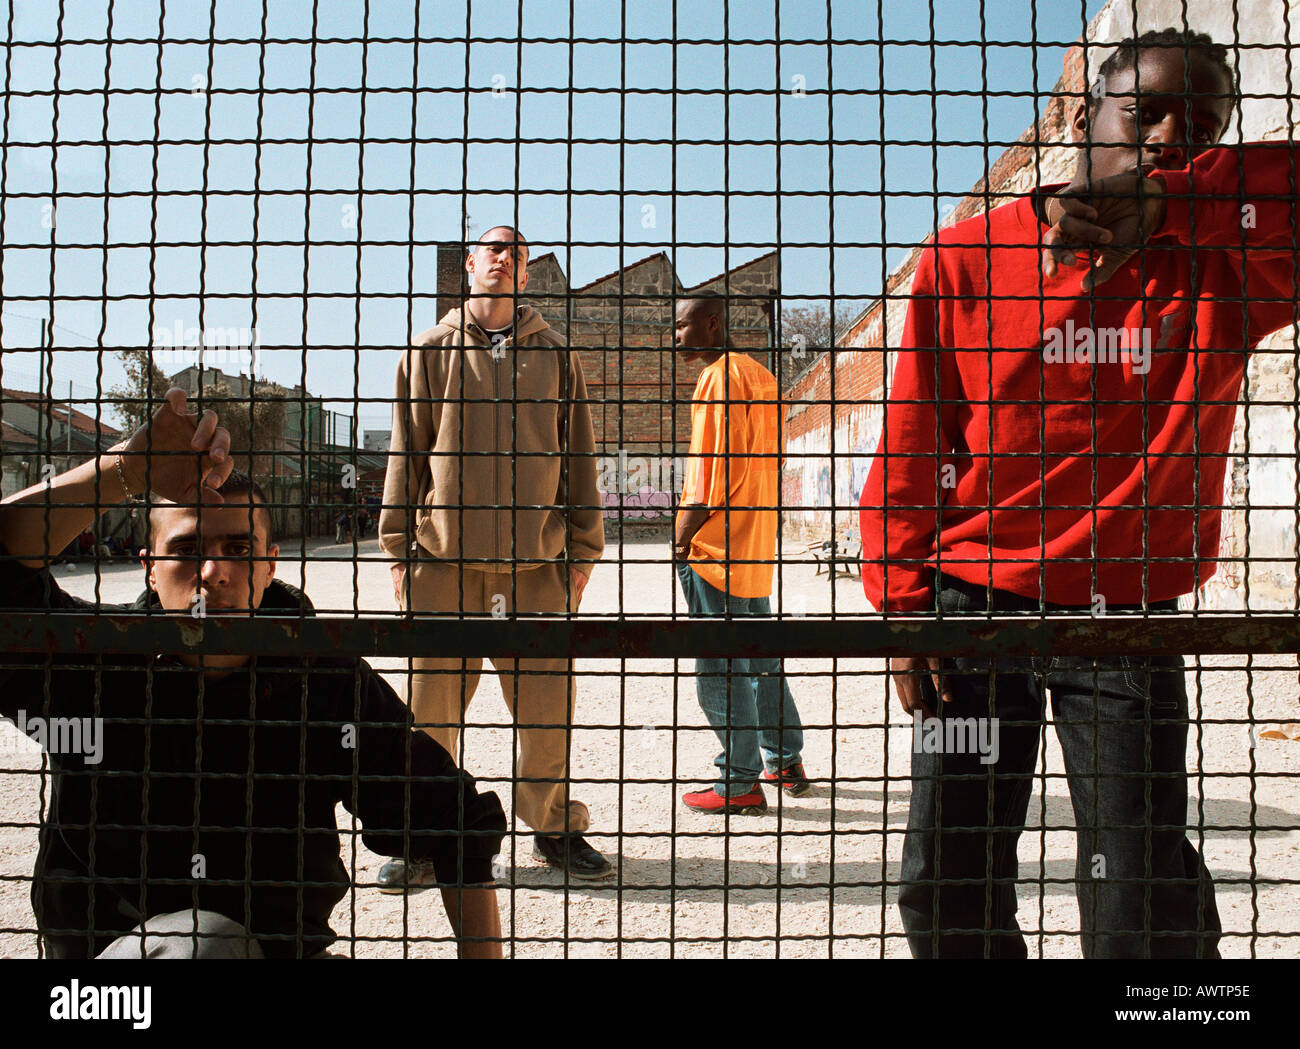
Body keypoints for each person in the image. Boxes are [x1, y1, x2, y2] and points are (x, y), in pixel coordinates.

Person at [859, 28, 1297, 958]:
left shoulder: (1224, 263)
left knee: (1138, 900)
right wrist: (901, 608)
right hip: (969, 620)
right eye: (1142, 112)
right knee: (947, 887)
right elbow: (912, 441)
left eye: (1202, 127)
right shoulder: (966, 258)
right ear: (1079, 115)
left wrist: (1179, 200)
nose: (1169, 137)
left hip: (1128, 624)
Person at [0, 389, 506, 958]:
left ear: (269, 566)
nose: (215, 572)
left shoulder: (319, 677)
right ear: (150, 569)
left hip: (276, 952)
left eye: (240, 548)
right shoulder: (97, 666)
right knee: (201, 946)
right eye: (188, 549)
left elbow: (450, 818)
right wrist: (124, 470)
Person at [379, 225, 611, 882]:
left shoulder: (557, 358)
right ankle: (426, 838)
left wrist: (583, 556)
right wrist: (400, 556)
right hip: (444, 569)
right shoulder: (427, 352)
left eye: (517, 251)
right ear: (470, 265)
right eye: (493, 248)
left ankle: (553, 828)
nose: (504, 257)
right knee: (430, 717)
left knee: (547, 713)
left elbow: (580, 463)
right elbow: (407, 458)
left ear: (528, 273)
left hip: (537, 572)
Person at [672, 296, 809, 814]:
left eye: (682, 326)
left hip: (716, 545)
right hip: (754, 545)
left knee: (720, 667)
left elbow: (712, 469)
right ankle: (785, 760)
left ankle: (739, 782)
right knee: (760, 660)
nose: (676, 337)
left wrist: (682, 535)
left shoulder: (716, 378)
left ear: (712, 324)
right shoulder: (763, 377)